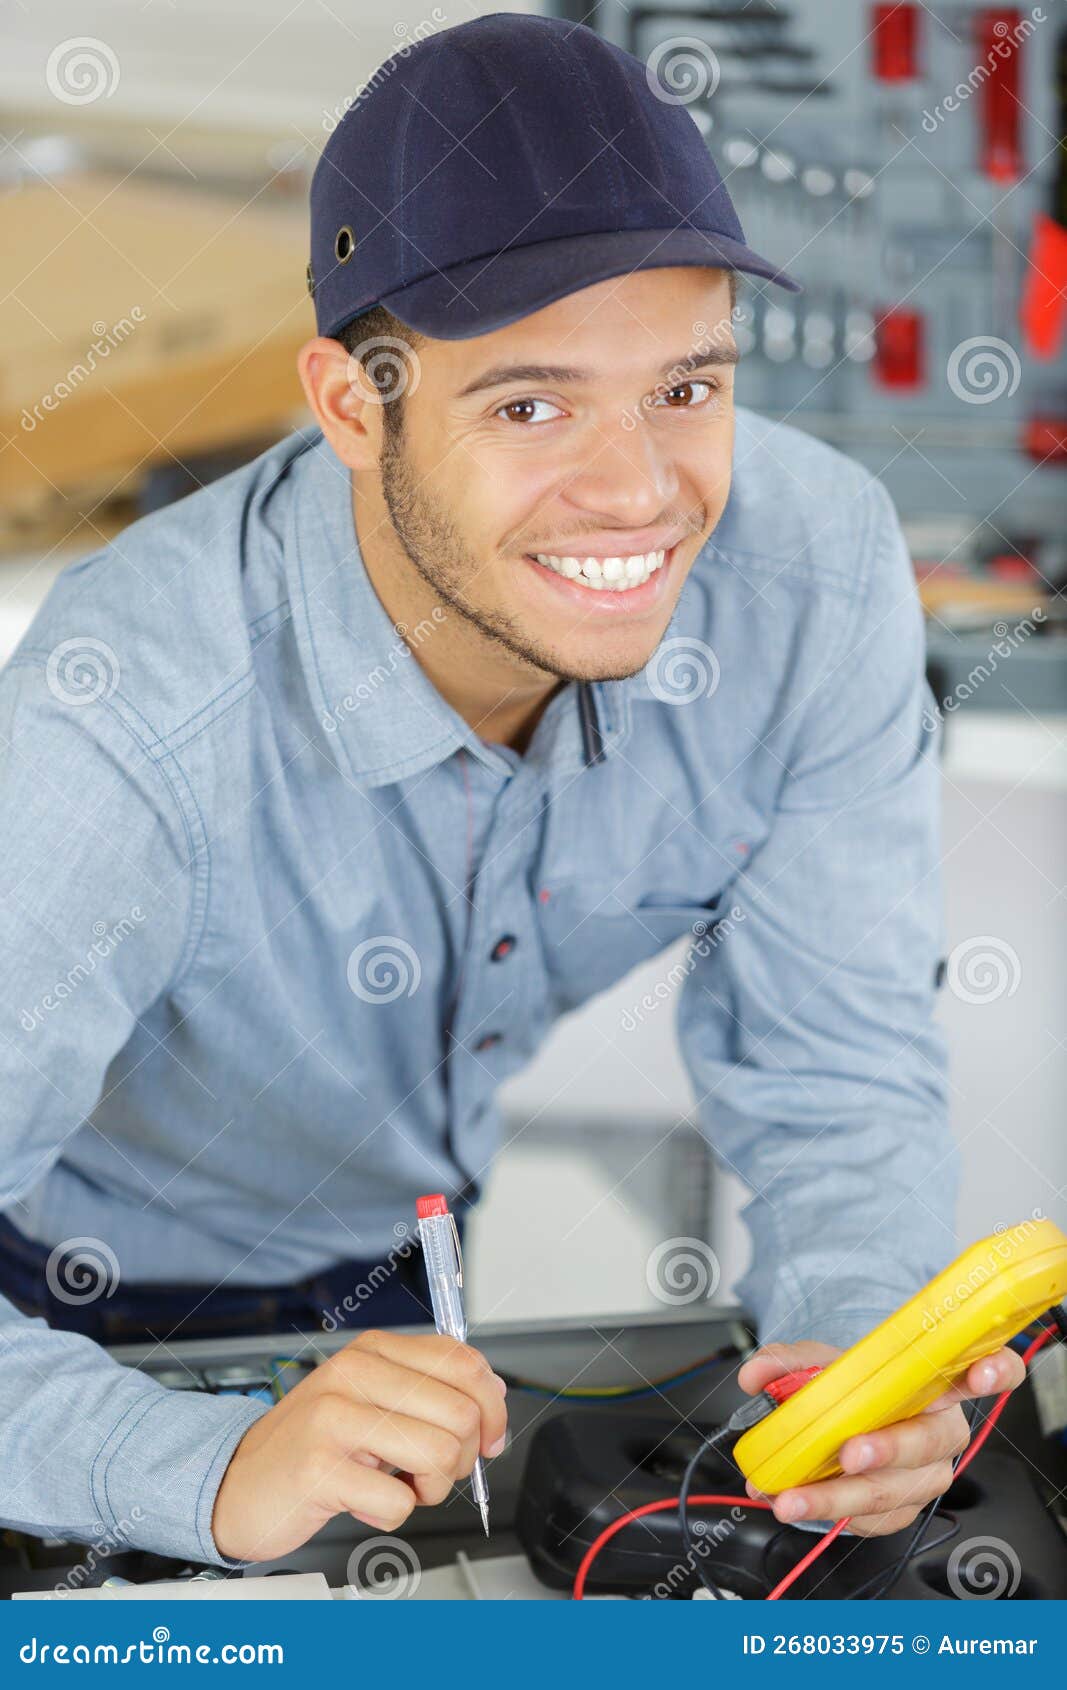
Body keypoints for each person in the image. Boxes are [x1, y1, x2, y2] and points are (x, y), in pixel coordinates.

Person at [0, 13, 1022, 1572]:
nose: (636, 490)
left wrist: (859, 1356)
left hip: (405, 1292)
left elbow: (837, 1074)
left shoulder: (814, 581)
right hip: (68, 1324)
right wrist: (192, 1463)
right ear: (352, 405)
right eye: (531, 405)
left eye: (687, 387)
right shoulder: (125, 720)